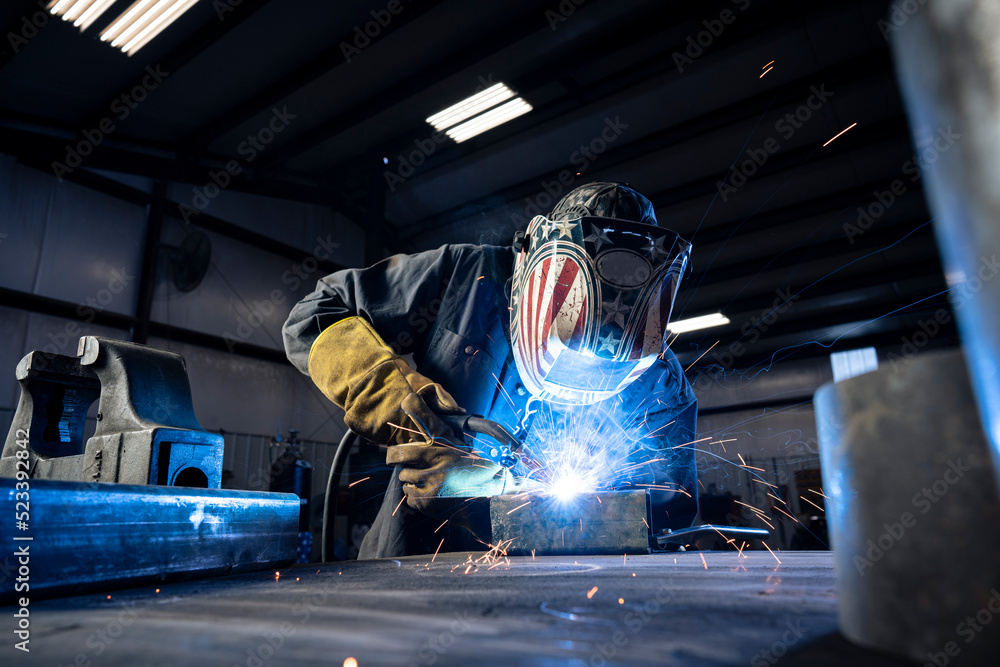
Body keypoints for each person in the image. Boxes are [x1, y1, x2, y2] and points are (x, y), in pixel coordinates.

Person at [283, 182, 698, 559]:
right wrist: (405, 409)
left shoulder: (659, 382)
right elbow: (314, 316)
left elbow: (667, 514)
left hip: (568, 584)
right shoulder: (468, 277)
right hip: (414, 558)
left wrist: (510, 497)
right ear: (532, 268)